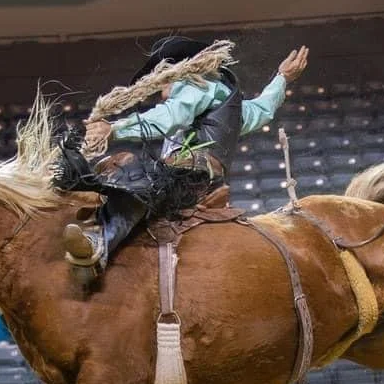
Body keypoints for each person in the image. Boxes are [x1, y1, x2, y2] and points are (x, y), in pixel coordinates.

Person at [57, 37, 309, 275]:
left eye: (161, 78)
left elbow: (171, 116)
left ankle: (100, 243)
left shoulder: (196, 84)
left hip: (191, 175)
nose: (158, 86)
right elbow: (261, 110)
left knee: (132, 175)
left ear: (174, 70)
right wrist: (282, 79)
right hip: (198, 177)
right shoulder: (222, 100)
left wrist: (115, 128)